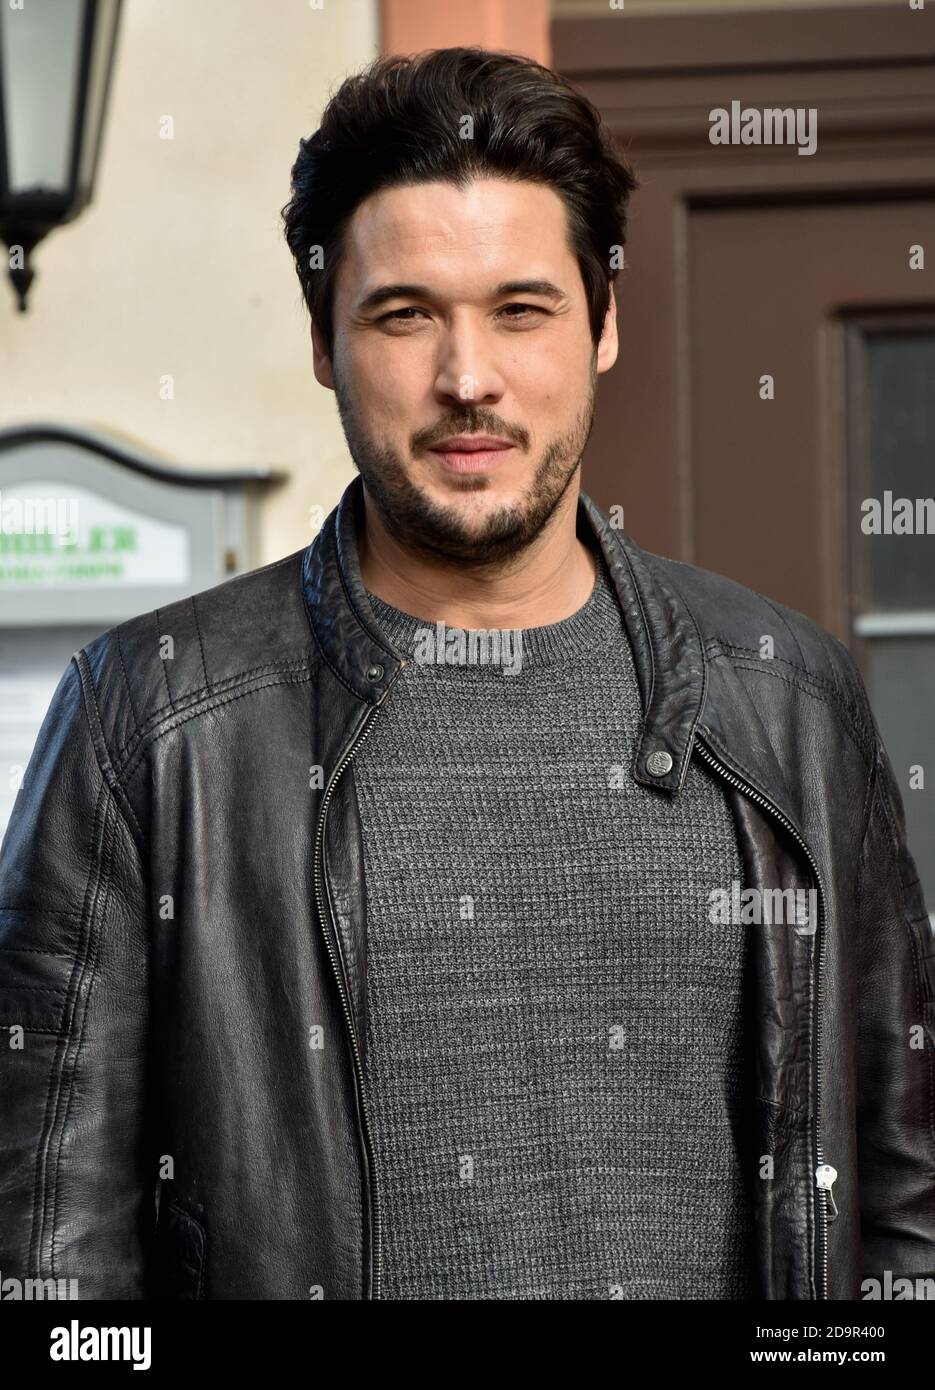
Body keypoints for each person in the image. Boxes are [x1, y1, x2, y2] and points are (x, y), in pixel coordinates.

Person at [0, 47, 932, 1301]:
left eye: (519, 308)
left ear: (603, 324)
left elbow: (902, 1196)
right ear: (326, 342)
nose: (467, 378)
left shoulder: (790, 706)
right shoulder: (149, 721)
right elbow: (48, 1258)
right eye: (404, 314)